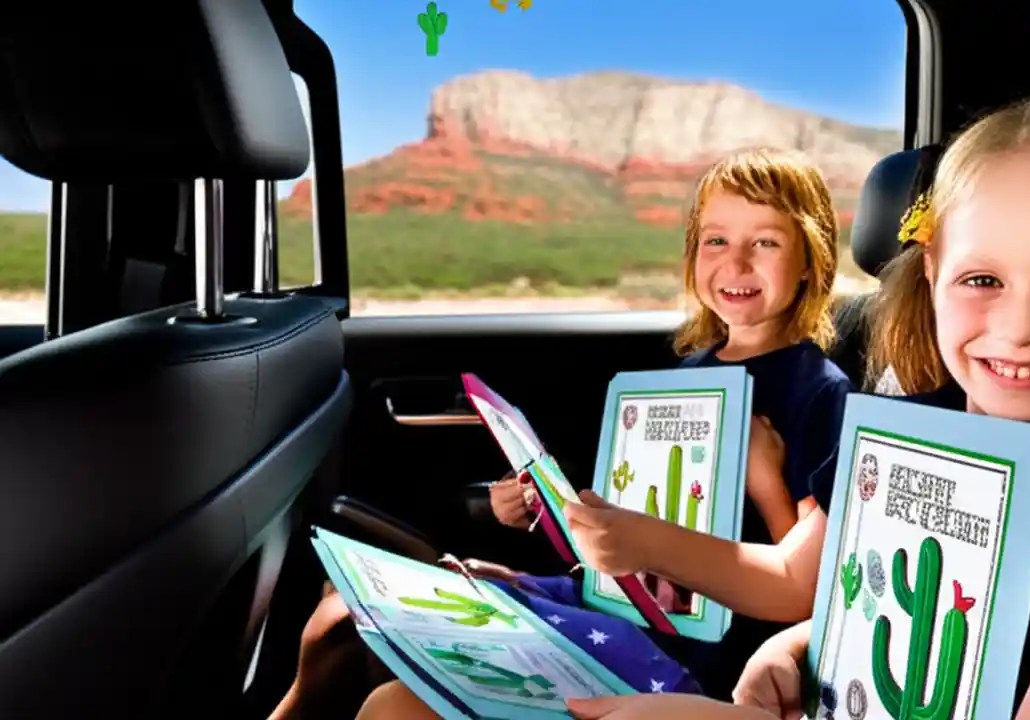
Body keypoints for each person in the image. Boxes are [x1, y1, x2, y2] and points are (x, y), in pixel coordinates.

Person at [551, 78, 1030, 719]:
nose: (1021, 328)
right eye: (982, 280)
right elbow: (836, 594)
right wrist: (797, 646)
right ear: (931, 272)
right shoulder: (904, 434)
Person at [332, 146, 857, 716]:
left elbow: (808, 582)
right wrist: (554, 532)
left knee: (393, 706)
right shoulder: (689, 374)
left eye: (766, 243)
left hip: (706, 657)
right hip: (628, 613)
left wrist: (764, 483)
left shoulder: (821, 391)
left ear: (810, 260)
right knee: (342, 621)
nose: (736, 263)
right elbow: (643, 525)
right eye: (716, 241)